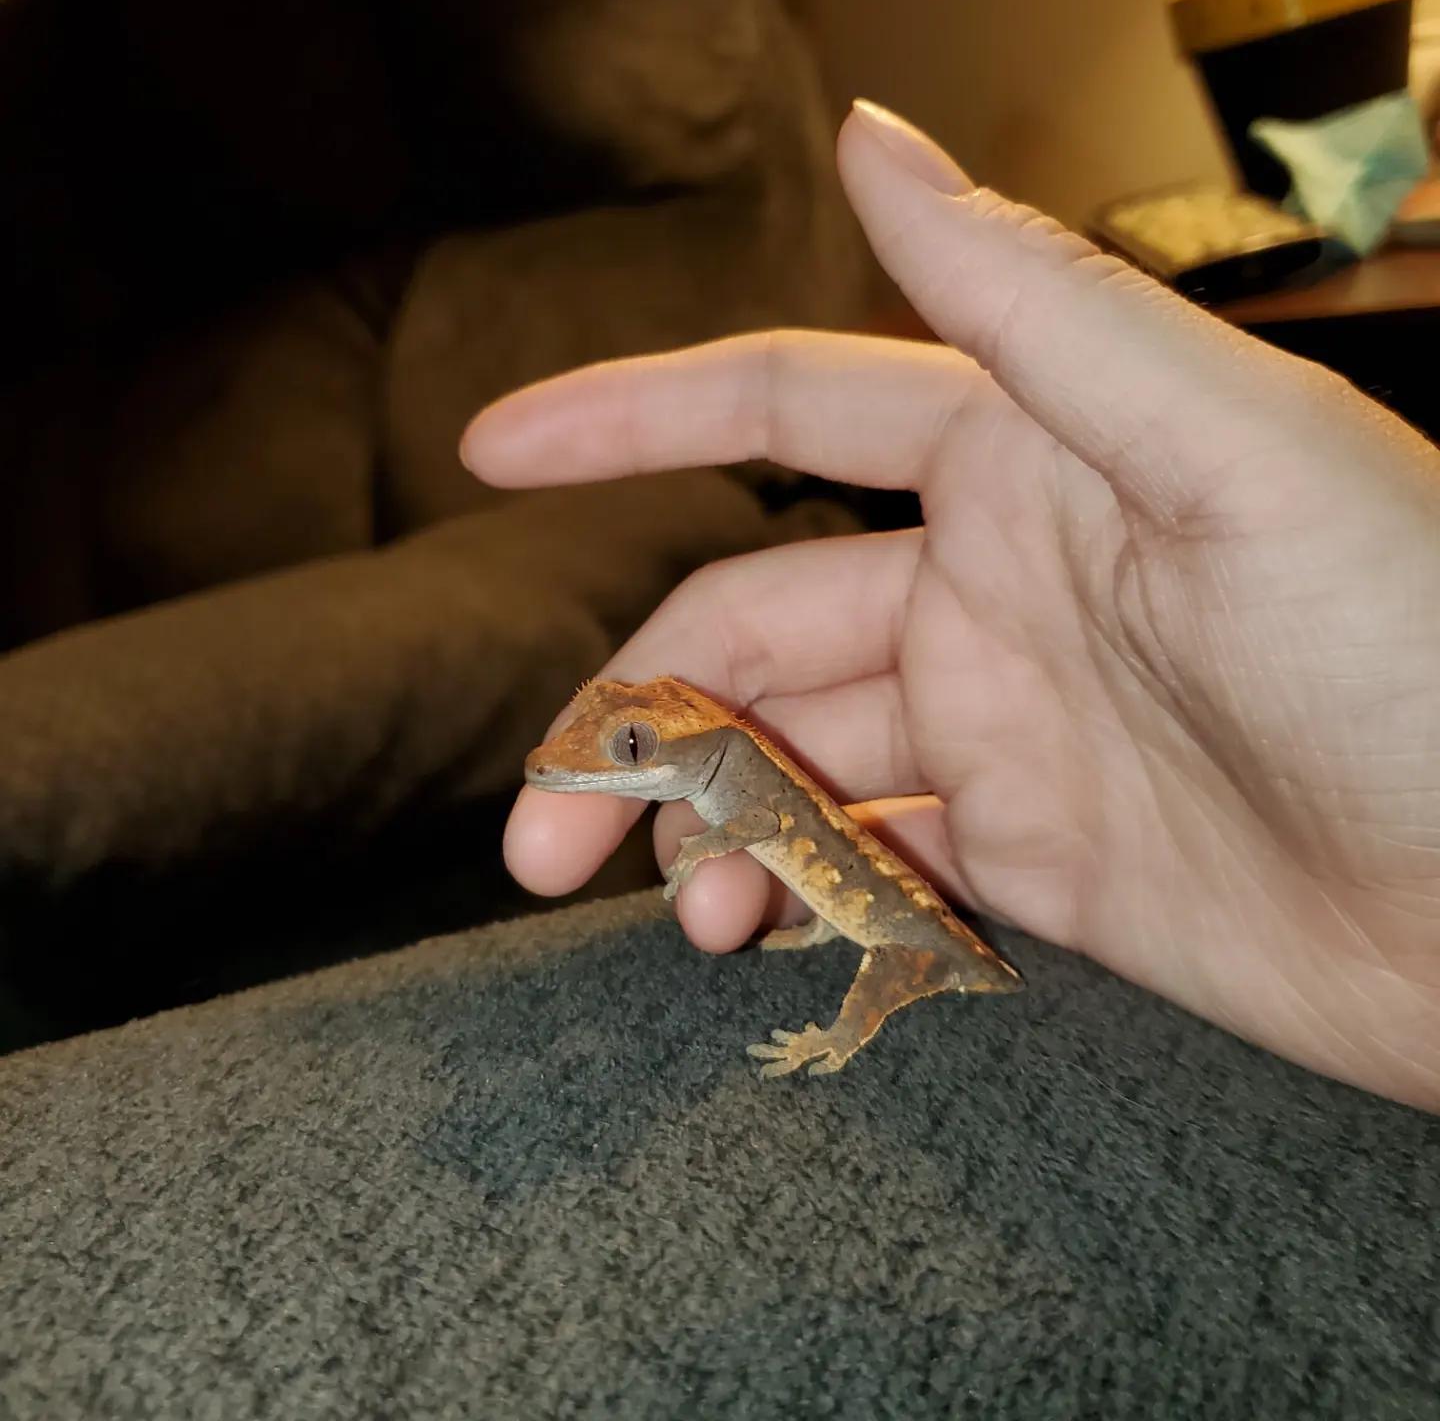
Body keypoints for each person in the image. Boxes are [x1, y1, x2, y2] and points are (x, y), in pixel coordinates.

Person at [461, 100, 1440, 1114]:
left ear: (692, 752)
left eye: (626, 746)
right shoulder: (731, 779)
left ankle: (845, 1033)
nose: (590, 754)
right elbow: (742, 820)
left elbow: (742, 826)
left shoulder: (731, 793)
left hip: (951, 957)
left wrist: (721, 863)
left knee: (860, 946)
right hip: (1229, 982)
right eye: (614, 732)